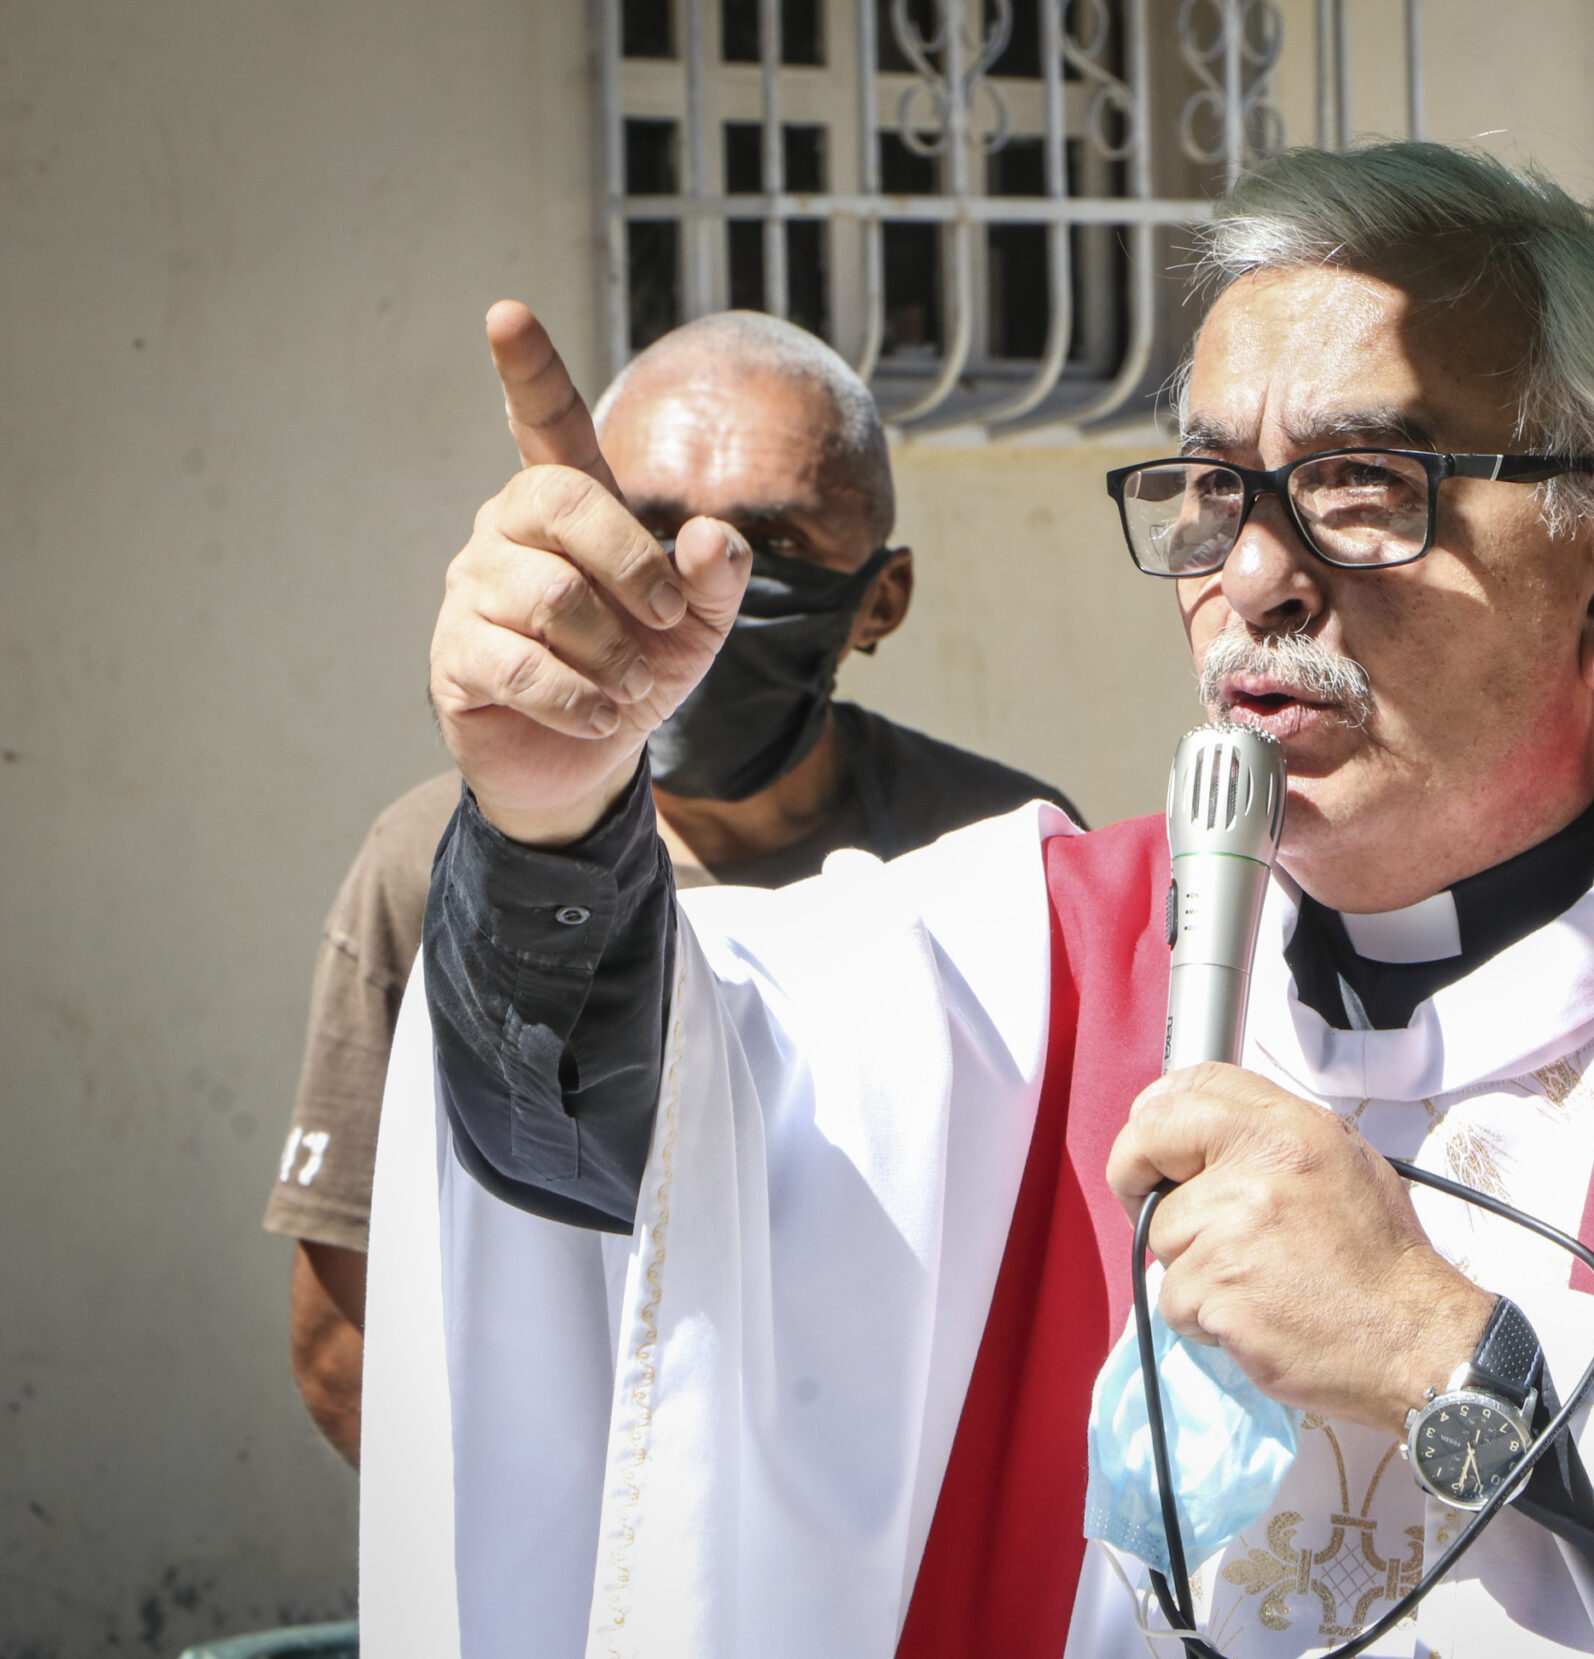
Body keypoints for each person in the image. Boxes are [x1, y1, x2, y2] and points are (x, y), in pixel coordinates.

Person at [365, 144, 1594, 1657]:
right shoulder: (1035, 960)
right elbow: (635, 1134)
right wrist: (547, 816)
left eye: (1363, 485)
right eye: (1203, 492)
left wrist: (1458, 1355)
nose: (1251, 576)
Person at [262, 308, 1076, 1466]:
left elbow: (1050, 1306)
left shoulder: (1003, 861)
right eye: (644, 529)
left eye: (767, 546)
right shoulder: (445, 857)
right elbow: (350, 1344)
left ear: (880, 601)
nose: (693, 586)